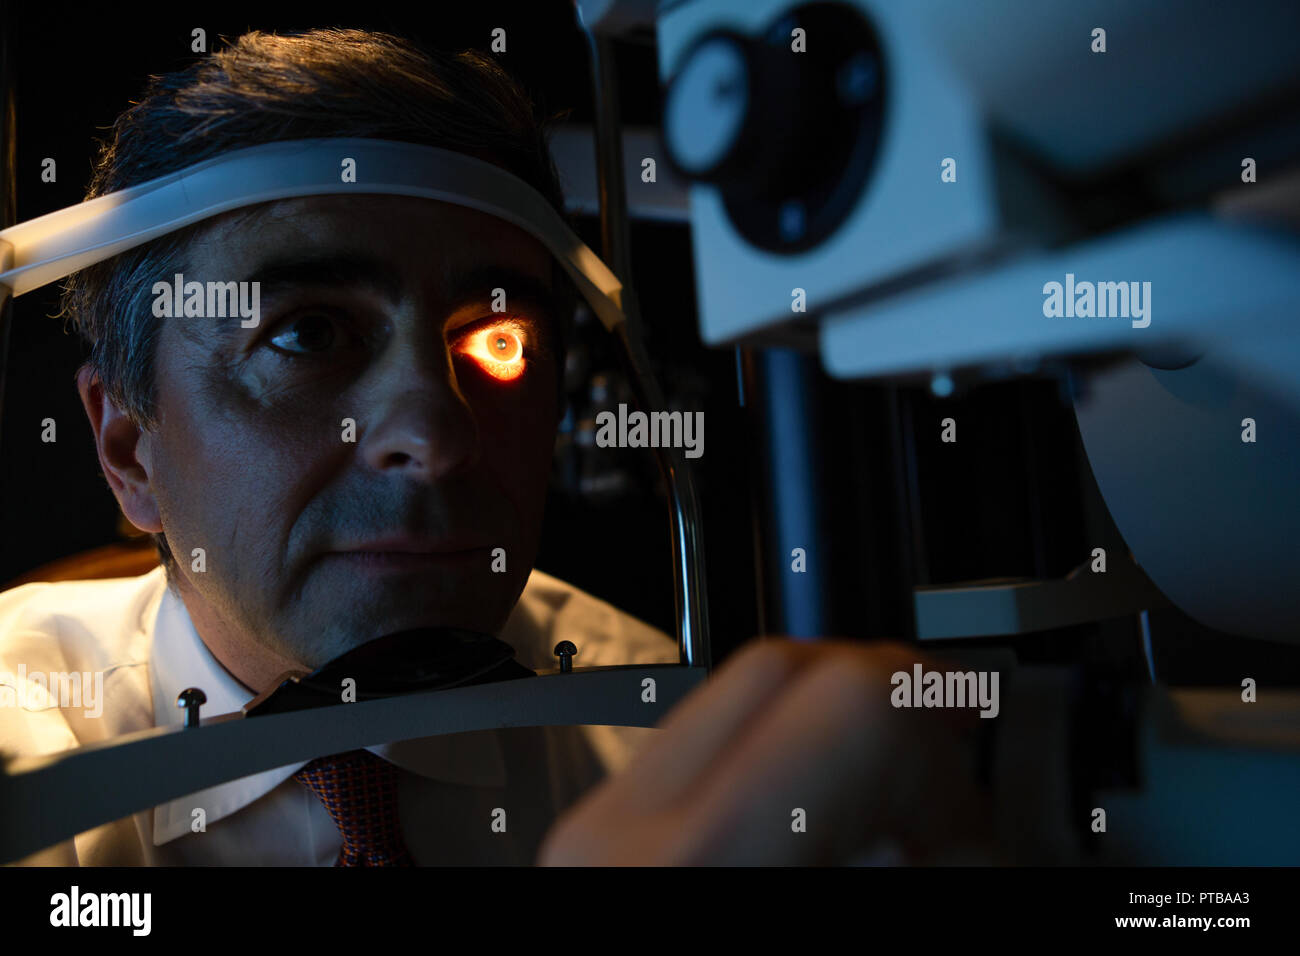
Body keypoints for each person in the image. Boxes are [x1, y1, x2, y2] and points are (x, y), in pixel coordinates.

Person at [0, 27, 1077, 867]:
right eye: (308, 334)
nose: (434, 431)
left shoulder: (657, 730)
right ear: (129, 447)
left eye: (499, 338)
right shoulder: (23, 748)